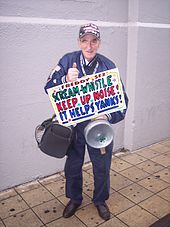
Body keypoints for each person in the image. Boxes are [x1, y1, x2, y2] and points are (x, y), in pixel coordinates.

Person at [44, 23, 128, 221]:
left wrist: (107, 116)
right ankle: (74, 198)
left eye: (93, 41)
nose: (89, 46)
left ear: (99, 43)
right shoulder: (68, 60)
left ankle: (100, 200)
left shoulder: (108, 66)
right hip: (74, 127)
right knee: (73, 165)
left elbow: (121, 100)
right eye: (84, 41)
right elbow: (48, 86)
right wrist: (64, 79)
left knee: (102, 166)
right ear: (79, 42)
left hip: (99, 127)